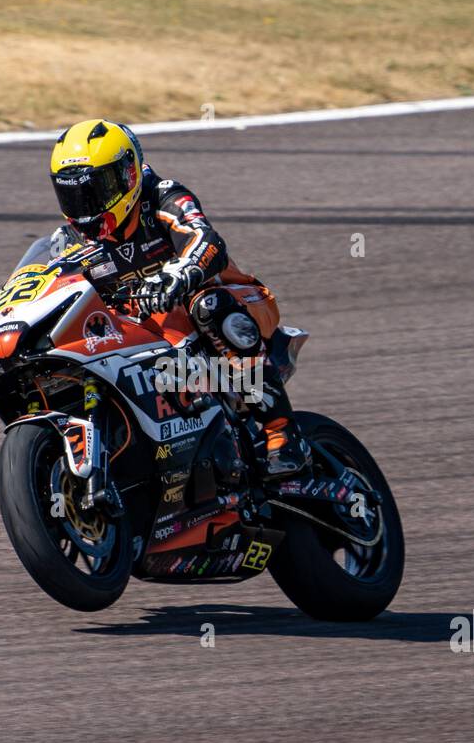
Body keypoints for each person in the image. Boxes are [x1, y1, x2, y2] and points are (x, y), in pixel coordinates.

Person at [47, 118, 307, 477]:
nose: (85, 206)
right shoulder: (72, 240)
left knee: (209, 306)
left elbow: (207, 241)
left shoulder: (163, 198)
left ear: (128, 176)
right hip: (158, 335)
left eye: (96, 191)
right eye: (73, 195)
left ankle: (281, 432)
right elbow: (54, 284)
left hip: (237, 304)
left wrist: (179, 273)